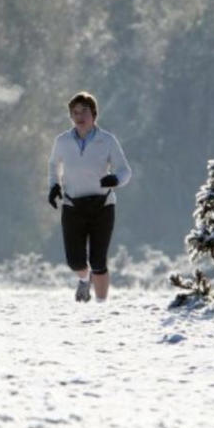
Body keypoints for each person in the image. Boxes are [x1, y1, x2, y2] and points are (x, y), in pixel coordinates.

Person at [47, 91, 131, 302]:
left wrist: (115, 180)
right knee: (75, 261)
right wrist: (54, 186)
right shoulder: (63, 141)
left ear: (94, 114)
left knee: (99, 260)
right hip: (73, 205)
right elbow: (53, 165)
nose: (79, 116)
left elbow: (125, 170)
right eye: (75, 112)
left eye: (84, 111)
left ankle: (101, 307)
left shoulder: (107, 140)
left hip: (102, 205)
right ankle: (84, 280)